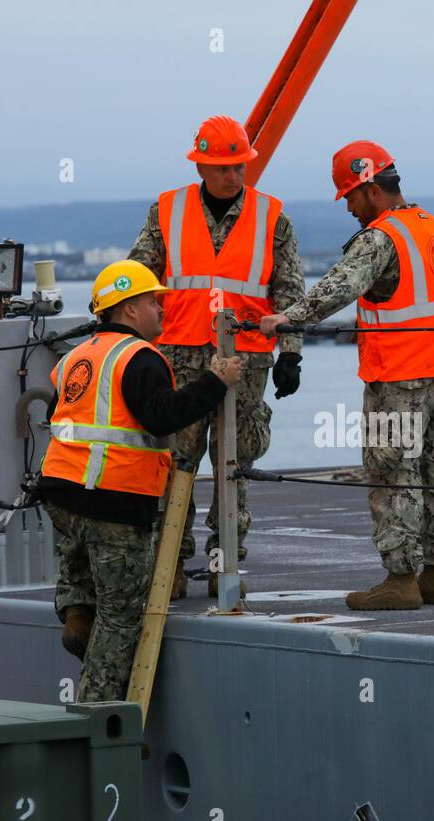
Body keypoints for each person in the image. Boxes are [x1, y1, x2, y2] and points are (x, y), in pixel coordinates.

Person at [259, 141, 434, 611]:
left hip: (401, 372)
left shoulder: (381, 237)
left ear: (371, 189)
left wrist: (287, 318)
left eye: (351, 198)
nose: (351, 210)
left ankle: (400, 579)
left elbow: (341, 286)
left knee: (392, 470)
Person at [39, 260, 242, 702]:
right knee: (122, 615)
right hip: (113, 500)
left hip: (61, 492)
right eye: (153, 302)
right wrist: (216, 382)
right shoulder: (141, 358)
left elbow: (59, 417)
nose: (160, 310)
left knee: (81, 565)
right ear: (128, 309)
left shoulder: (77, 356)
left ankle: (76, 609)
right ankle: (99, 713)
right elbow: (162, 416)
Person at [128, 114, 305, 599]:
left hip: (245, 361)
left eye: (239, 167)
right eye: (223, 167)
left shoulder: (272, 216)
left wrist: (291, 352)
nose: (233, 176)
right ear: (202, 166)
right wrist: (128, 338)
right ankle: (170, 567)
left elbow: (290, 289)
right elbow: (140, 275)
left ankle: (225, 565)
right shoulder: (167, 210)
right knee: (175, 461)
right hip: (180, 356)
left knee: (235, 462)